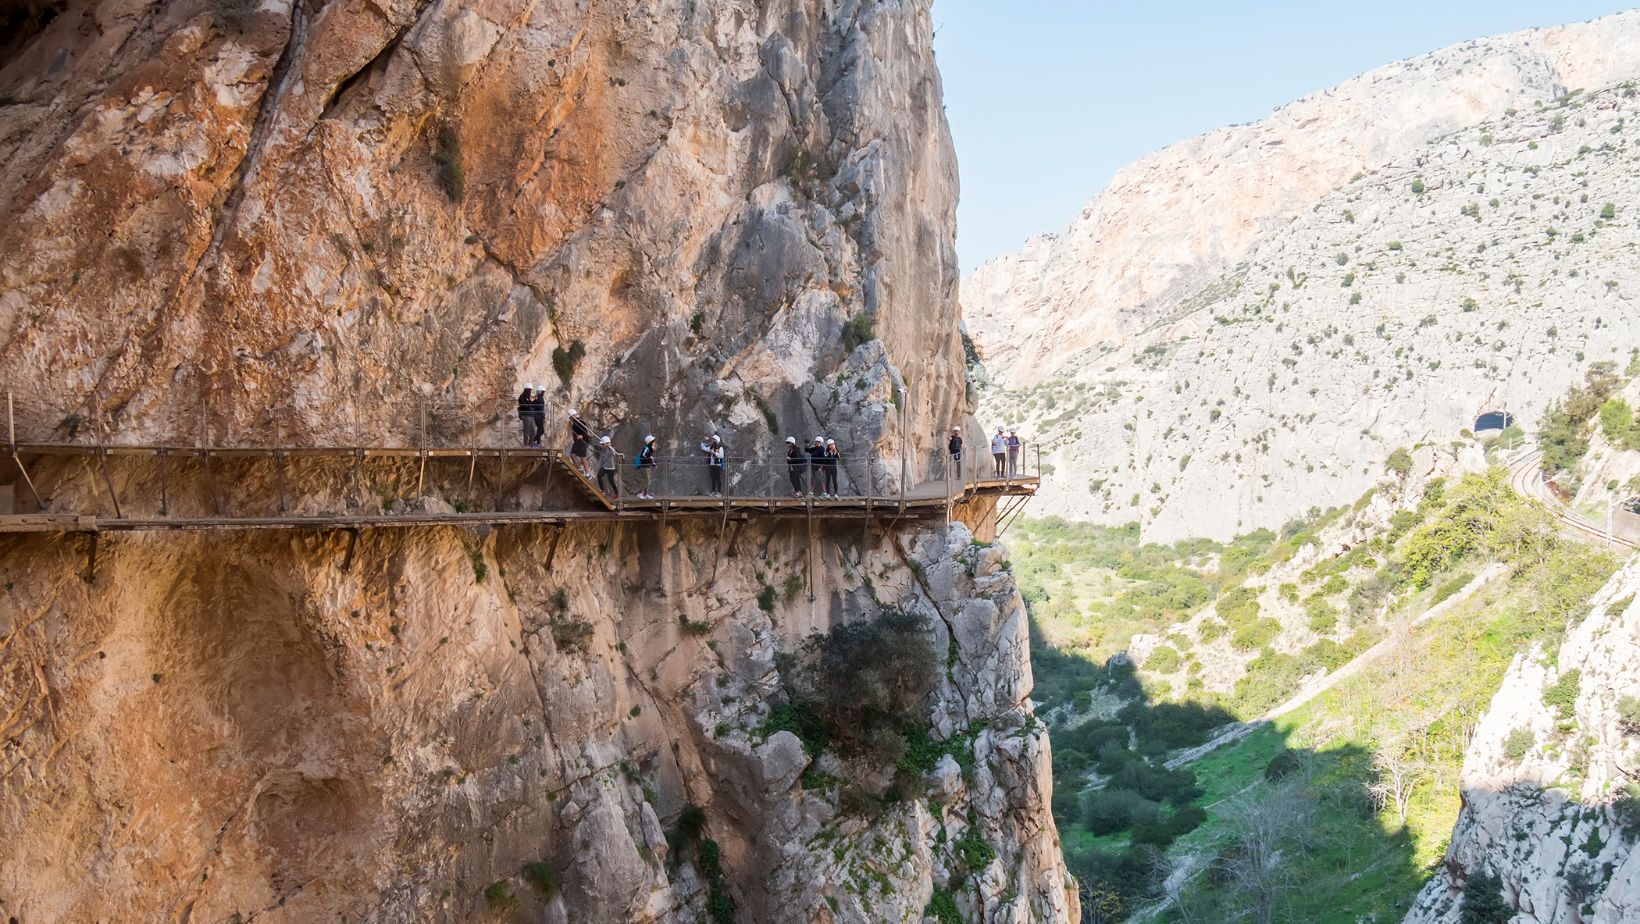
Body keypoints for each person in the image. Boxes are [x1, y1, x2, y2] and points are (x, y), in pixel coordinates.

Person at [568, 409, 592, 475]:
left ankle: (588, 472)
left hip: (583, 441)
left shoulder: (580, 422)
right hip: (577, 442)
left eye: (570, 417)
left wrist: (582, 435)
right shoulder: (575, 423)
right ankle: (580, 469)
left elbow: (585, 431)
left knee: (582, 457)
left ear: (573, 416)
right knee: (572, 455)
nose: (570, 419)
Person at [635, 434, 657, 499]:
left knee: (648, 481)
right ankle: (641, 494)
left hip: (647, 467)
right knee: (647, 481)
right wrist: (650, 459)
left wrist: (652, 463)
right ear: (650, 442)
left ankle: (646, 494)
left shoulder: (649, 449)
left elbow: (648, 458)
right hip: (644, 467)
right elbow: (643, 456)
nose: (654, 442)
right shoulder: (646, 448)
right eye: (653, 441)